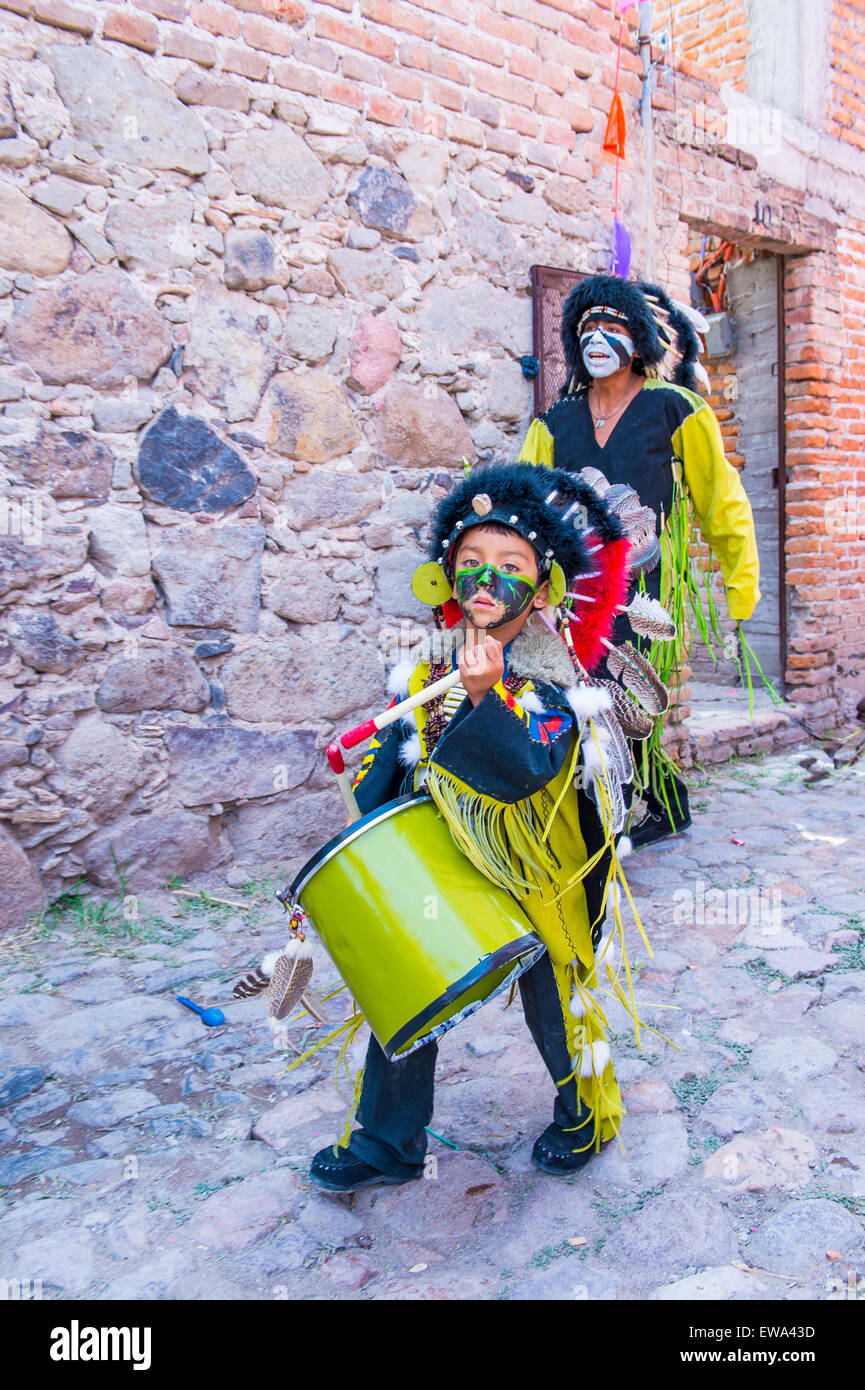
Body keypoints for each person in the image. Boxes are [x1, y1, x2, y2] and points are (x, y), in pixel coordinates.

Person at [308, 461, 653, 1195]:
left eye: (508, 565)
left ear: (542, 584)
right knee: (406, 981)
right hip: (442, 863)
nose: (485, 581)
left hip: (538, 870)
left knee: (553, 993)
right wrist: (360, 834)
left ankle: (585, 1113)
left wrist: (486, 694)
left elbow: (527, 763)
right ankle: (386, 1141)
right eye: (468, 564)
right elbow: (401, 764)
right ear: (444, 578)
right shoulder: (425, 669)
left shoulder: (555, 681)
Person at [518, 274, 761, 848]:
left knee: (622, 691)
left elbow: (721, 500)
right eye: (585, 327)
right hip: (572, 590)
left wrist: (740, 584)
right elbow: (528, 502)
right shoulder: (556, 420)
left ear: (639, 337)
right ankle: (661, 803)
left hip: (641, 590)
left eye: (611, 326)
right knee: (583, 690)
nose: (596, 338)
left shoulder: (676, 409)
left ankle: (607, 823)